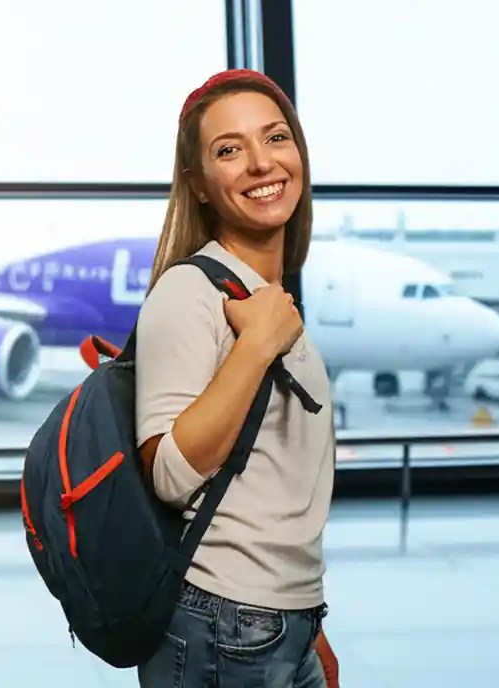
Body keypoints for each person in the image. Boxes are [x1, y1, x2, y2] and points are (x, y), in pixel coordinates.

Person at [134, 68, 340, 688]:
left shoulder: (265, 299)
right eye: (229, 149)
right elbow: (168, 474)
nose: (260, 163)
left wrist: (309, 621)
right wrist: (256, 346)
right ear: (197, 184)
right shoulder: (190, 292)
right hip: (223, 623)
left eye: (276, 138)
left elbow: (269, 489)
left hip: (280, 617)